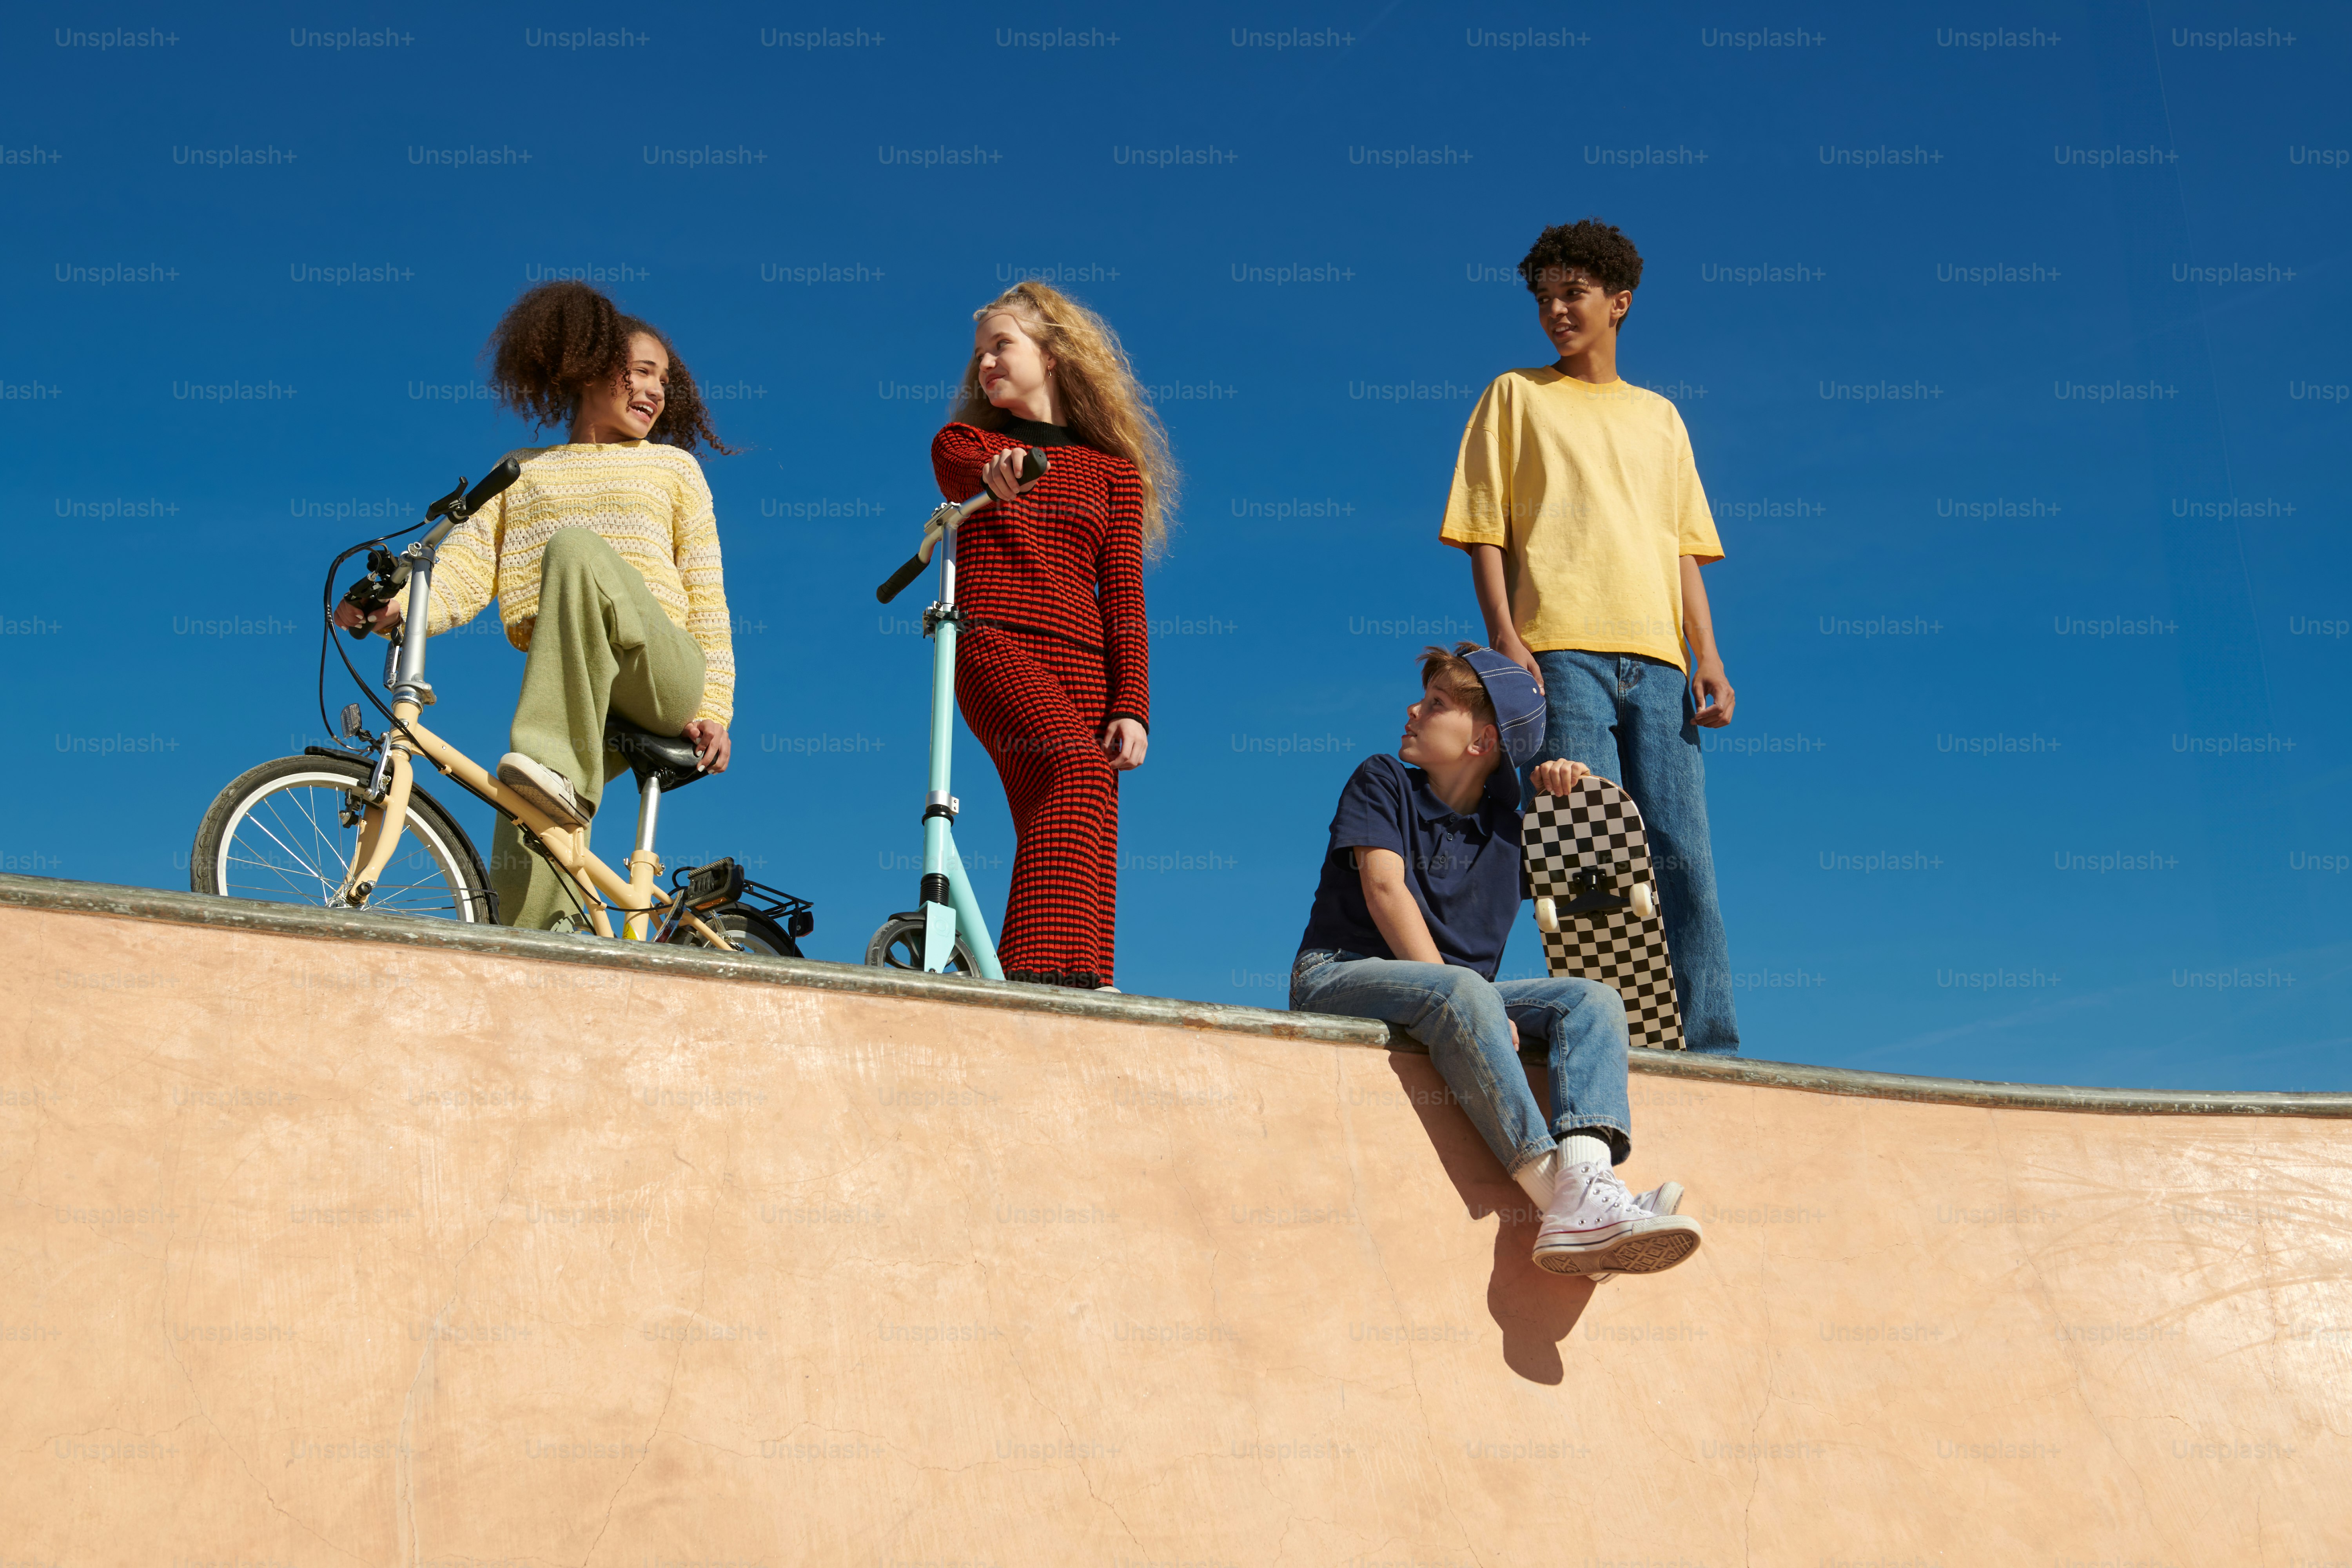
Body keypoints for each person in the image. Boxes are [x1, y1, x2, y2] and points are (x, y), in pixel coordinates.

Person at [334, 280, 737, 931]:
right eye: (639, 372)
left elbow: (708, 598)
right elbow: (465, 569)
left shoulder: (673, 469)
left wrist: (715, 709)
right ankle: (544, 954)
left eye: (664, 379)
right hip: (582, 689)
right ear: (585, 369)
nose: (656, 391)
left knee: (575, 552)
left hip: (663, 673)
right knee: (521, 826)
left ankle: (554, 773)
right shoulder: (522, 471)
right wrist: (398, 606)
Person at [1290, 644, 1701, 1278]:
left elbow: (1592, 889)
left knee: (1593, 1001)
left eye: (1436, 705)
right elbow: (1383, 889)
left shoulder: (1515, 830)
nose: (1413, 710)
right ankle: (1567, 1205)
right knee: (1464, 990)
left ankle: (1590, 1184)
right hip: (1340, 973)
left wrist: (1573, 798)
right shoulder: (1383, 780)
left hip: (1461, 1001)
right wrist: (1461, 988)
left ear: (1483, 741)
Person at [1441, 217, 1741, 1053]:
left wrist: (1707, 652)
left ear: (1620, 302)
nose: (1556, 312)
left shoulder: (1662, 419)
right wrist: (1505, 636)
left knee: (1685, 853)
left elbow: (1683, 547)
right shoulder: (1516, 394)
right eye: (1545, 298)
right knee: (1592, 854)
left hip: (1661, 661)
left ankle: (1710, 1043)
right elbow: (1484, 528)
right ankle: (1620, 1038)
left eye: (1573, 294)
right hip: (1560, 652)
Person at [928, 281, 1175, 990]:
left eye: (1001, 346)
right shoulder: (969, 443)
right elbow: (964, 469)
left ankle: (1091, 986)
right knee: (1077, 771)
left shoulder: (1114, 475)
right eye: (979, 354)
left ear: (1055, 354)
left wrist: (1132, 704)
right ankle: (1037, 982)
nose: (985, 364)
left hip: (1088, 670)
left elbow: (1124, 596)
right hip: (995, 644)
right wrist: (993, 473)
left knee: (1087, 819)